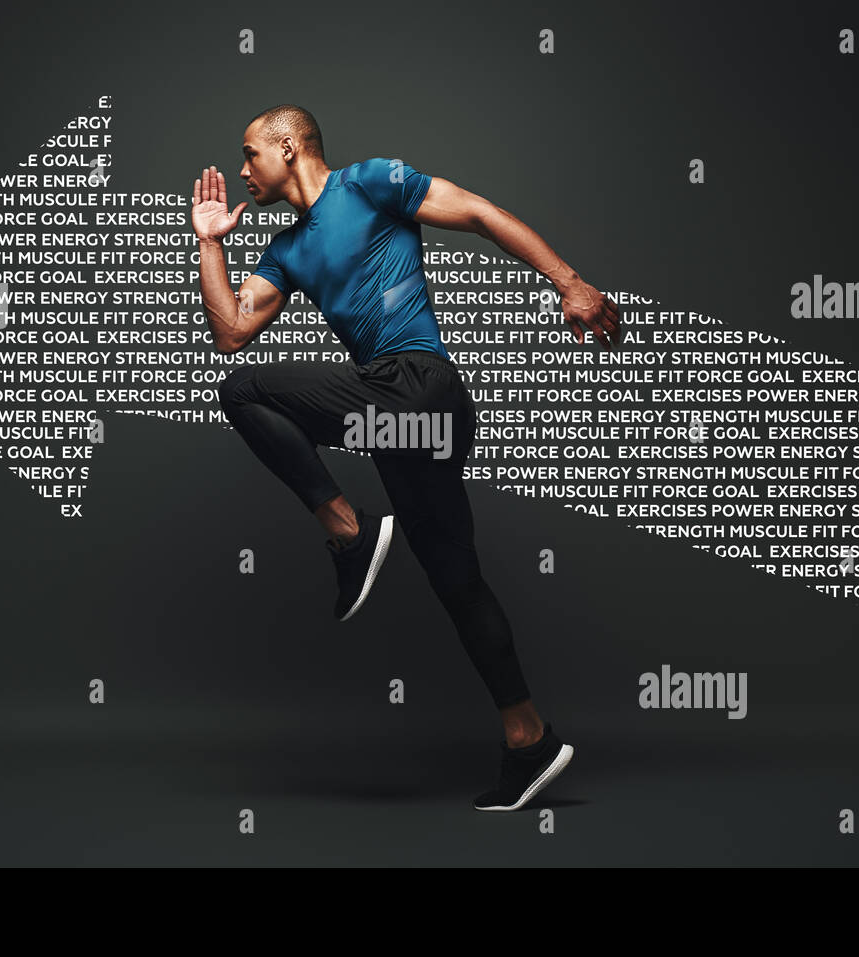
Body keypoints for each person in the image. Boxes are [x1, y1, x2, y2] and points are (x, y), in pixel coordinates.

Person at [191, 104, 619, 811]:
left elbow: (479, 212)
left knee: (245, 393)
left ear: (289, 147)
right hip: (396, 424)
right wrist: (210, 244)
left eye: (249, 155)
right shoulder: (288, 250)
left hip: (419, 389)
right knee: (457, 580)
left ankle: (350, 530)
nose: (242, 171)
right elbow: (233, 330)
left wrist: (568, 282)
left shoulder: (368, 183)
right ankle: (529, 739)